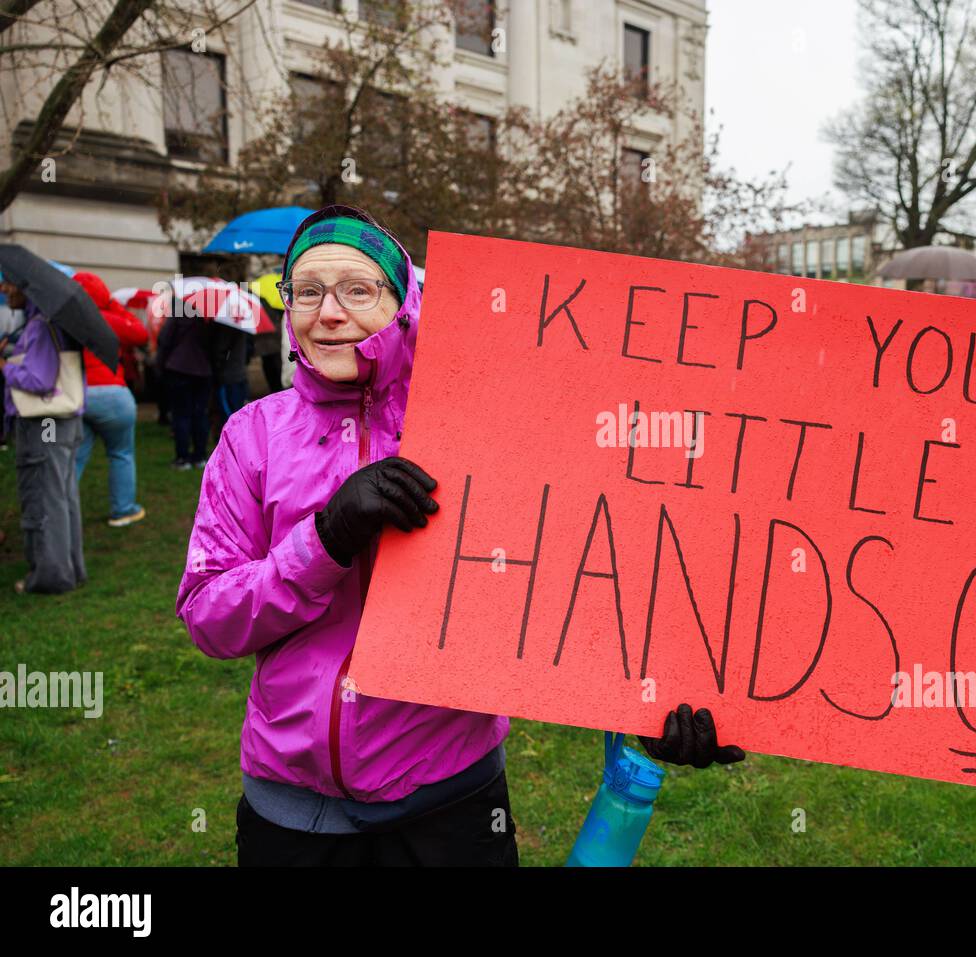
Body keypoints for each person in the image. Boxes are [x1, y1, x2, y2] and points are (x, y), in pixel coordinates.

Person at [176, 205, 744, 867]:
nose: (328, 312)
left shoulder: (477, 419)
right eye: (306, 290)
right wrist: (325, 538)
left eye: (358, 289)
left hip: (452, 804)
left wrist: (658, 698)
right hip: (293, 814)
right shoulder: (252, 437)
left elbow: (583, 569)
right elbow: (209, 616)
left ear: (404, 304)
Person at [0, 280, 87, 594]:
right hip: (60, 422)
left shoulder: (39, 327)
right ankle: (69, 568)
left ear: (29, 288)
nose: (5, 290)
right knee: (62, 494)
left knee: (45, 495)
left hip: (45, 423)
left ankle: (51, 575)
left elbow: (39, 380)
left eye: (9, 284)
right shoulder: (50, 324)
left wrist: (4, 368)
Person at [72, 272, 148, 526]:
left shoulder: (64, 320)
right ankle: (123, 510)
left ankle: (60, 511)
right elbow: (140, 335)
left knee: (75, 457)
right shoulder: (107, 318)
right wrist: (112, 305)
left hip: (78, 395)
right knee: (121, 453)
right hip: (113, 394)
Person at [156, 298, 213, 470]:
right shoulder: (212, 315)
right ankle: (200, 456)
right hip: (203, 369)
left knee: (181, 414)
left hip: (179, 368)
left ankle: (182, 458)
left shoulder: (180, 311)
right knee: (200, 413)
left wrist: (160, 365)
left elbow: (164, 339)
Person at [208, 319, 251, 432]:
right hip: (239, 374)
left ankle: (233, 441)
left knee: (229, 415)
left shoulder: (227, 327)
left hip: (228, 376)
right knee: (236, 412)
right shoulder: (242, 324)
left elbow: (220, 350)